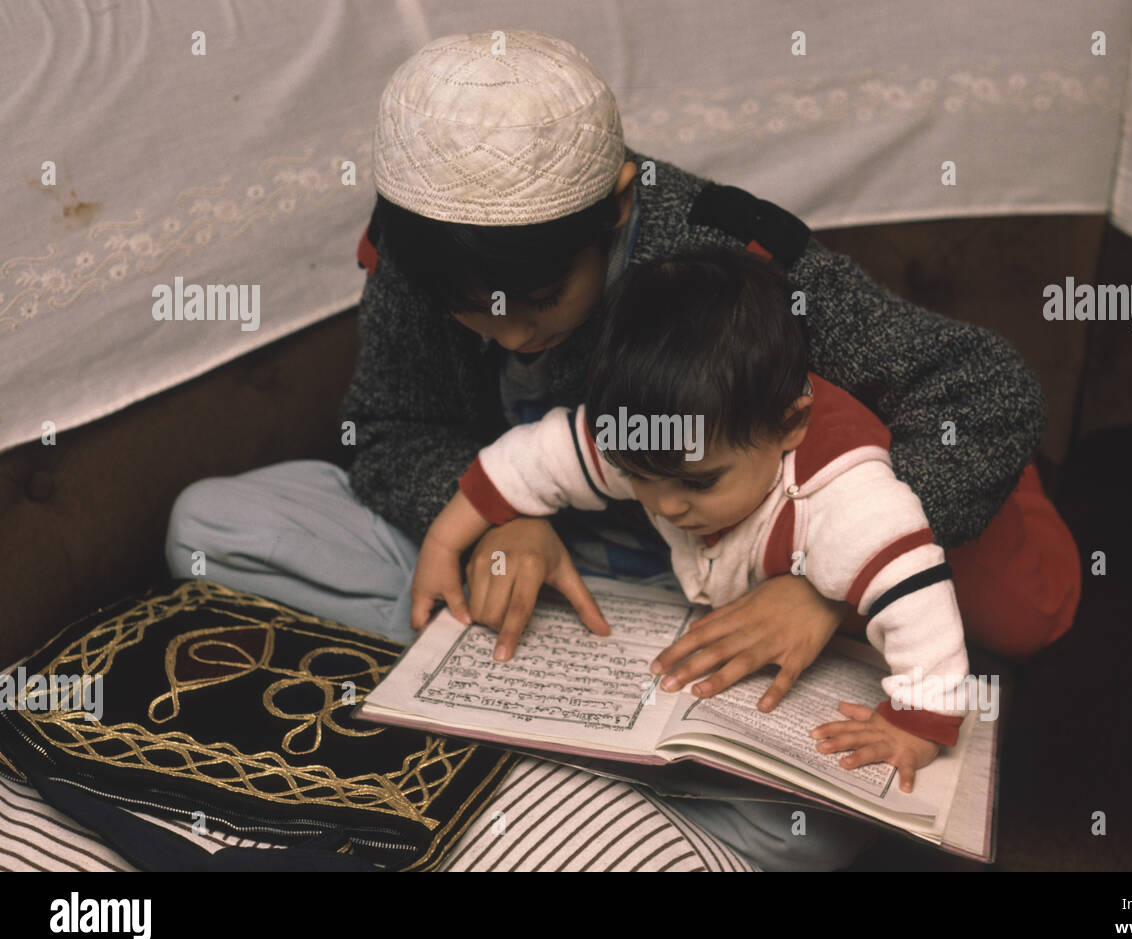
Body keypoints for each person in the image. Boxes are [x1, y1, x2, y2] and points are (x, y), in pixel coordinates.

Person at [167, 29, 1081, 869]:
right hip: (554, 563)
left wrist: (818, 588)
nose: (511, 336)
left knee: (812, 822)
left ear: (615, 207)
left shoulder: (722, 250)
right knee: (213, 526)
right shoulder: (420, 255)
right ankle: (568, 744)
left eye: (537, 300)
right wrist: (502, 525)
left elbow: (984, 389)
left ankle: (560, 745)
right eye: (472, 310)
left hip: (740, 576)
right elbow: (390, 431)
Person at [419, 247, 974, 795]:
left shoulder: (849, 502)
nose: (664, 505)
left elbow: (921, 604)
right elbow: (537, 458)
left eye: (698, 483)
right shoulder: (653, 440)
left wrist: (917, 724)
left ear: (788, 427)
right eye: (636, 475)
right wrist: (444, 543)